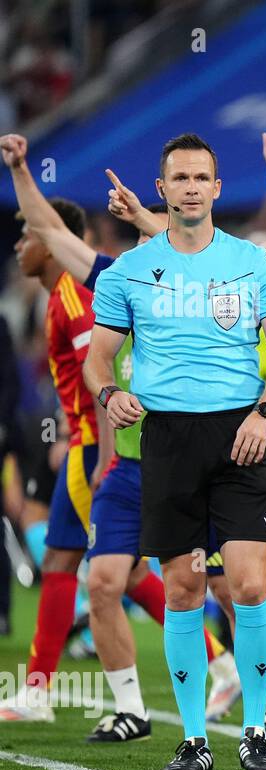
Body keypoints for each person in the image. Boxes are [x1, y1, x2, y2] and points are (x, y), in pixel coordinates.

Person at [0, 132, 237, 734]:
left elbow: (193, 248)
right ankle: (127, 706)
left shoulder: (210, 274)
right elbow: (54, 235)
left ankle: (250, 691)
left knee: (219, 584)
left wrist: (143, 215)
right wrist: (22, 170)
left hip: (182, 453)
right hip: (126, 461)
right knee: (104, 578)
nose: (20, 247)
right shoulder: (117, 281)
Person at [85, 132, 266, 770]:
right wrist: (108, 393)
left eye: (200, 178)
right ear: (162, 190)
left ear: (214, 186)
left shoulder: (252, 262)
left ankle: (257, 728)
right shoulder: (127, 271)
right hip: (168, 438)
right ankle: (193, 737)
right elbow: (98, 356)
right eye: (177, 178)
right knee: (181, 589)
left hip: (241, 432)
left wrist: (265, 414)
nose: (189, 188)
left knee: (250, 584)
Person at [0, 189, 99, 723]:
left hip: (95, 453)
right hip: (84, 445)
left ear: (54, 243)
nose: (18, 245)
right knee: (64, 564)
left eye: (28, 235)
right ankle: (37, 691)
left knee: (126, 574)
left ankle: (220, 667)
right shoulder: (56, 296)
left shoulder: (73, 297)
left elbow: (97, 376)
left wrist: (95, 449)